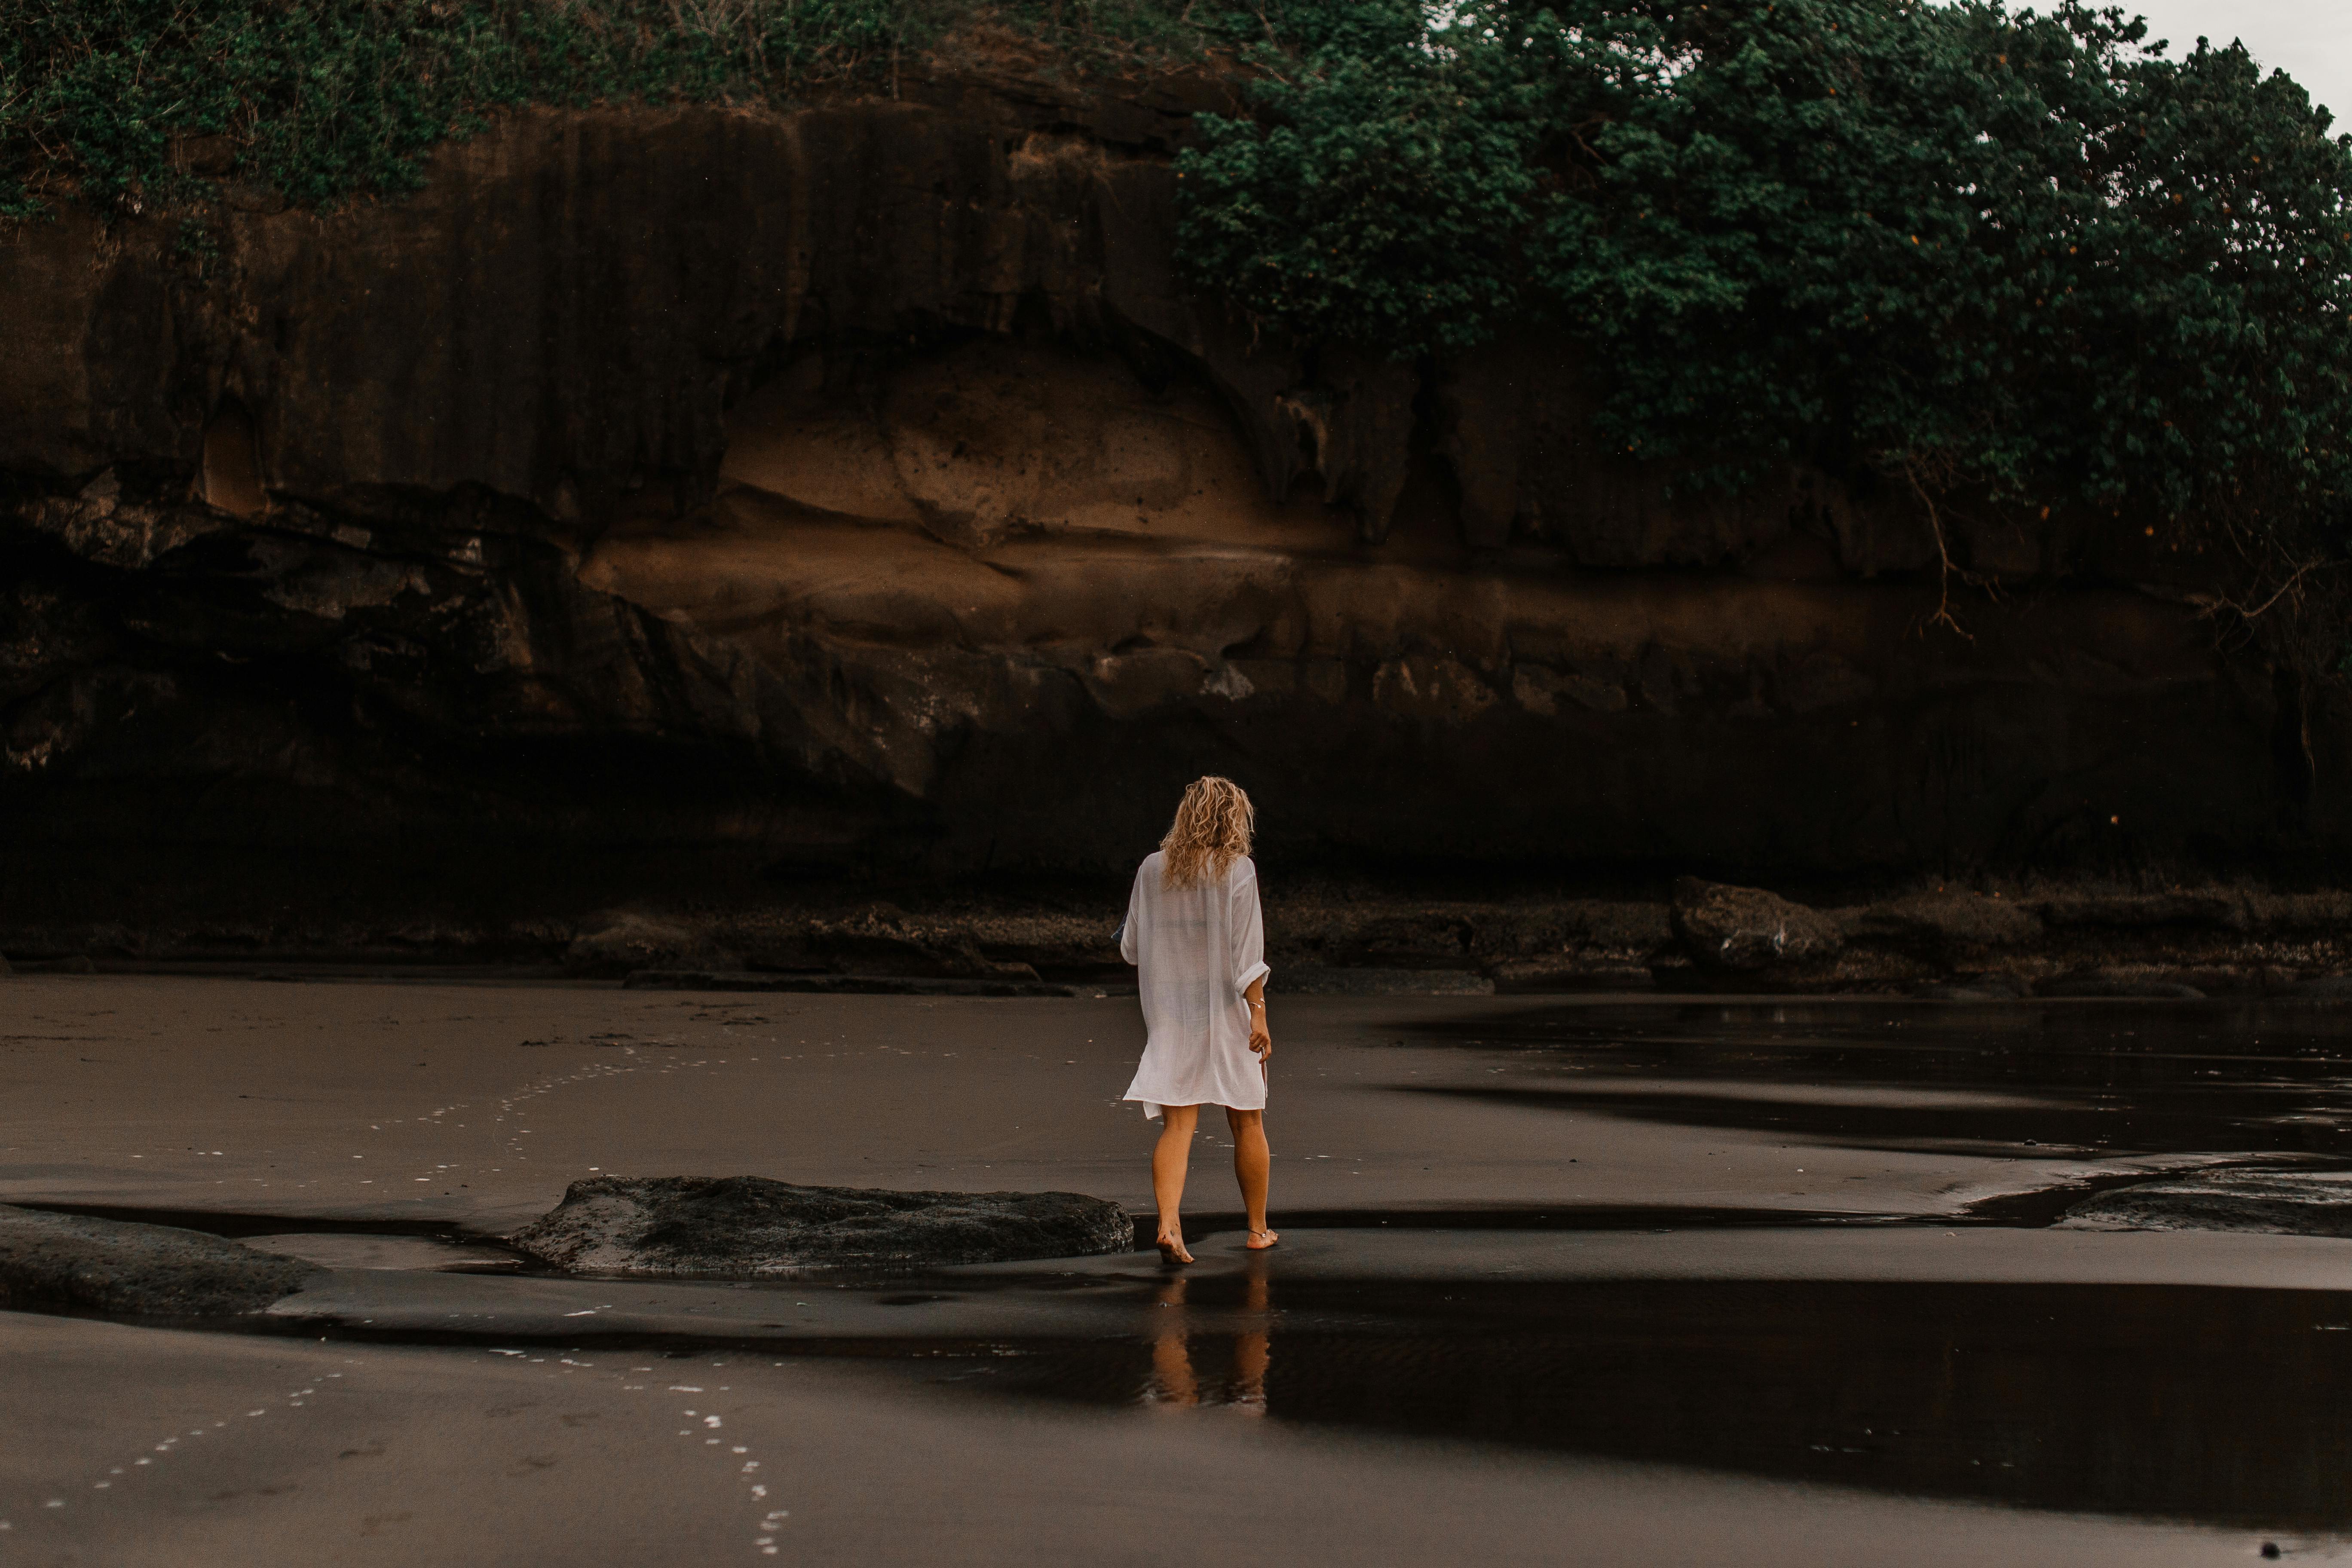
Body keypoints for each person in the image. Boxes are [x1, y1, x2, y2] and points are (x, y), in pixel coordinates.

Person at [1118, 775, 1276, 1264]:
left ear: (1187, 815)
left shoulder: (1152, 869)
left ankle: (1169, 1226)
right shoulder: (1238, 870)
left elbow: (1130, 948)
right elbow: (1247, 954)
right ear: (1234, 819)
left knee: (1178, 1126)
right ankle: (1257, 1230)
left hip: (1171, 1014)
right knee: (1247, 1120)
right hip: (1228, 1014)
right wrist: (1260, 1014)